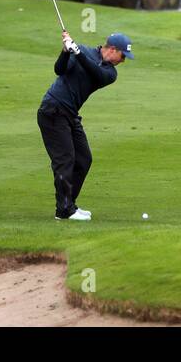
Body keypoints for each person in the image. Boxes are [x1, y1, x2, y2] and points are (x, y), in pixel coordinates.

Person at [37, 31, 133, 221]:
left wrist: (77, 52)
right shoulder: (83, 51)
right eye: (123, 56)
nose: (123, 61)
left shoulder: (110, 73)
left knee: (84, 159)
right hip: (53, 110)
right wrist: (65, 51)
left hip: (70, 114)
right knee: (65, 159)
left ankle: (69, 204)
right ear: (113, 50)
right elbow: (59, 70)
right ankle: (64, 210)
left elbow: (94, 72)